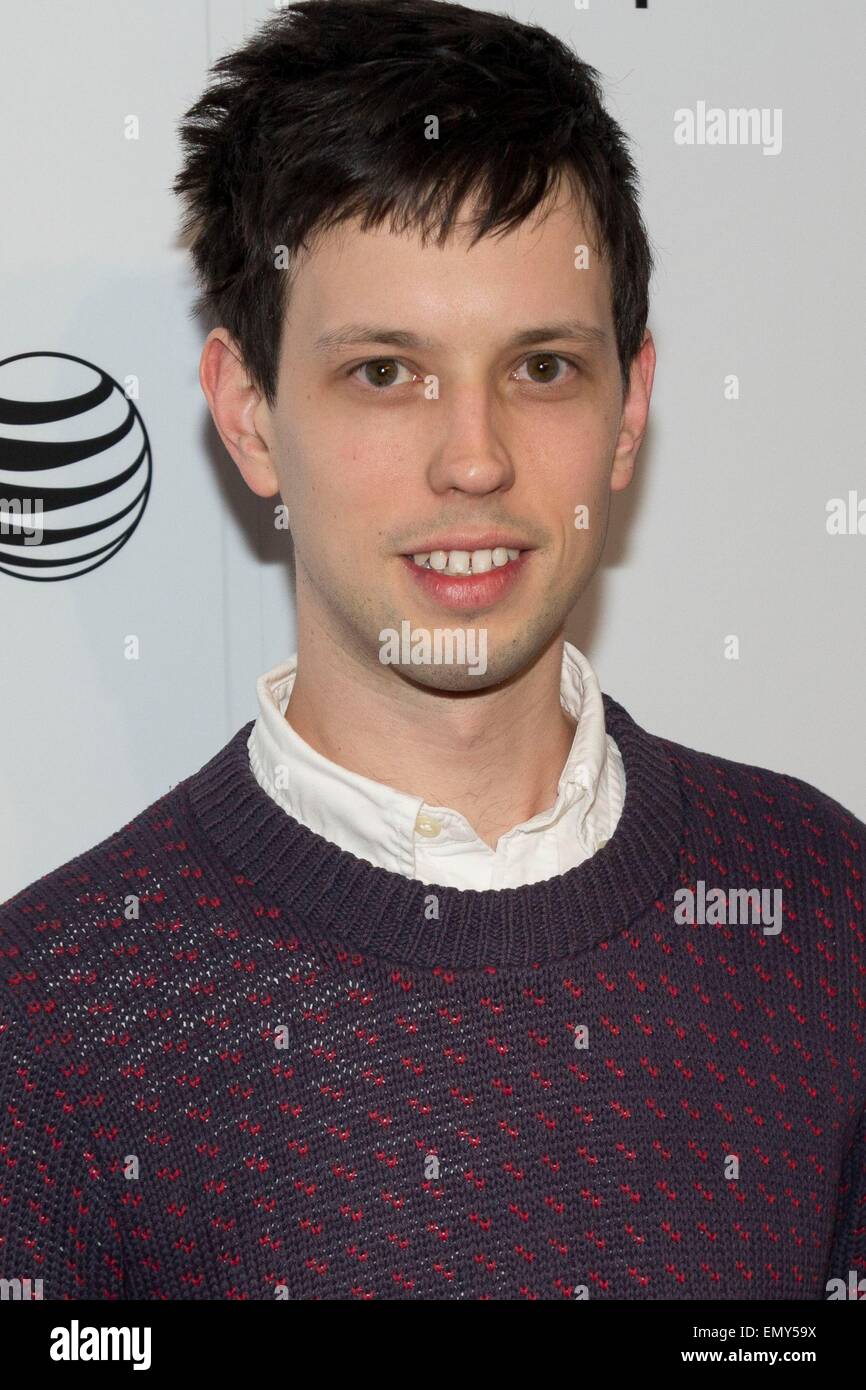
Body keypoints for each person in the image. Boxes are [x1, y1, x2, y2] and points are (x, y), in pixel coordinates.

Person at [1, 0, 863, 1301]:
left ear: (628, 410)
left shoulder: (821, 902)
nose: (474, 457)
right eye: (385, 373)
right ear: (249, 418)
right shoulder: (50, 1018)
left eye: (539, 368)